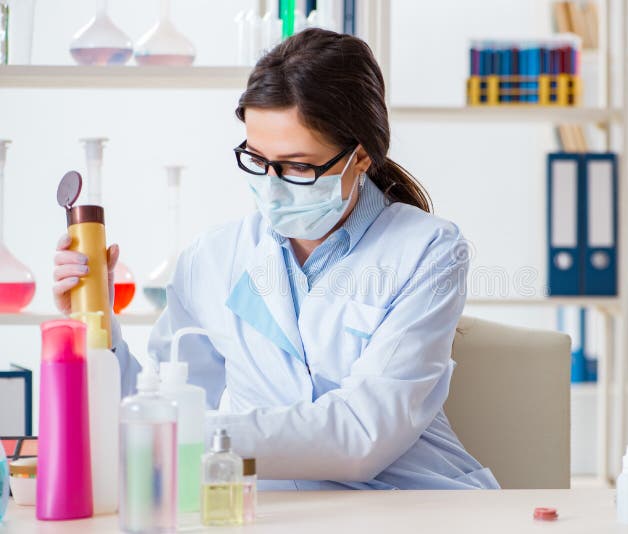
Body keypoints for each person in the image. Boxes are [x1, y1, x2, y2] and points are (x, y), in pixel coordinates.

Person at [52, 29, 499, 490]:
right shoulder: (213, 257)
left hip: (410, 499)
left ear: (361, 155)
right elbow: (163, 403)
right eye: (257, 159)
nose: (272, 183)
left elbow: (363, 436)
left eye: (298, 165)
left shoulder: (429, 248)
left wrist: (186, 431)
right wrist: (97, 326)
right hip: (268, 505)